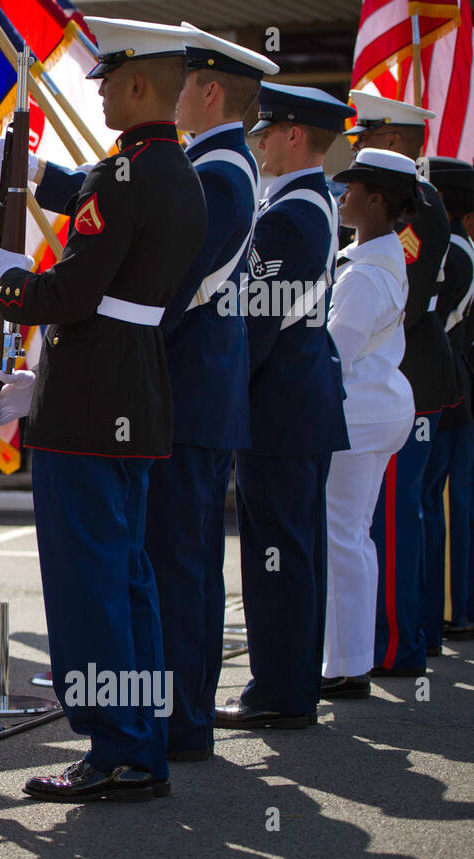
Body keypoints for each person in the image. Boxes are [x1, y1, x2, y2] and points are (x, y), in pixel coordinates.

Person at [0, 17, 206, 802]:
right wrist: (34, 173)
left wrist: (9, 283)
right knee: (129, 580)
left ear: (138, 84)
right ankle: (139, 742)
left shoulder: (124, 178)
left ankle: (113, 748)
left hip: (87, 401)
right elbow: (98, 200)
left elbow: (70, 292)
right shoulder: (177, 174)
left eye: (109, 80)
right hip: (135, 395)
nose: (102, 92)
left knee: (89, 585)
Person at [149, 25, 275, 761]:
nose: (175, 94)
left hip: (189, 392)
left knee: (179, 561)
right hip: (198, 391)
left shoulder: (219, 174)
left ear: (212, 90)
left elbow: (174, 282)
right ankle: (183, 713)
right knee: (186, 560)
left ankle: (180, 720)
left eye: (183, 81)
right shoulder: (215, 165)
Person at [213, 82, 353, 731]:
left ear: (296, 137)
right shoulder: (307, 206)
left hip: (280, 410)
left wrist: (220, 389)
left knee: (277, 553)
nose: (259, 141)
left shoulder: (289, 217)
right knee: (292, 549)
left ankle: (281, 689)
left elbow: (256, 326)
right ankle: (290, 682)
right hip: (297, 405)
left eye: (268, 131)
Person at [347, 90, 457, 676]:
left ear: (394, 143)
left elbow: (401, 306)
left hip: (403, 375)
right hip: (407, 377)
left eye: (367, 140)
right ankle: (409, 634)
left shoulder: (417, 210)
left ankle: (395, 644)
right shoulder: (422, 202)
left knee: (391, 517)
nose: (360, 151)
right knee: (397, 515)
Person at [320, 150, 419, 699]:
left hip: (357, 411)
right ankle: (346, 658)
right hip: (372, 407)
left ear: (377, 200)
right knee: (350, 534)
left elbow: (335, 353)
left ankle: (345, 664)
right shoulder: (371, 257)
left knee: (342, 535)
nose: (342, 195)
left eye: (352, 188)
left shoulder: (366, 273)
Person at [426, 158, 474, 641]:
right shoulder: (458, 251)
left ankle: (444, 610)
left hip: (445, 394)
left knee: (439, 503)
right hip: (457, 388)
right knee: (448, 502)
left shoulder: (452, 255)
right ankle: (453, 607)